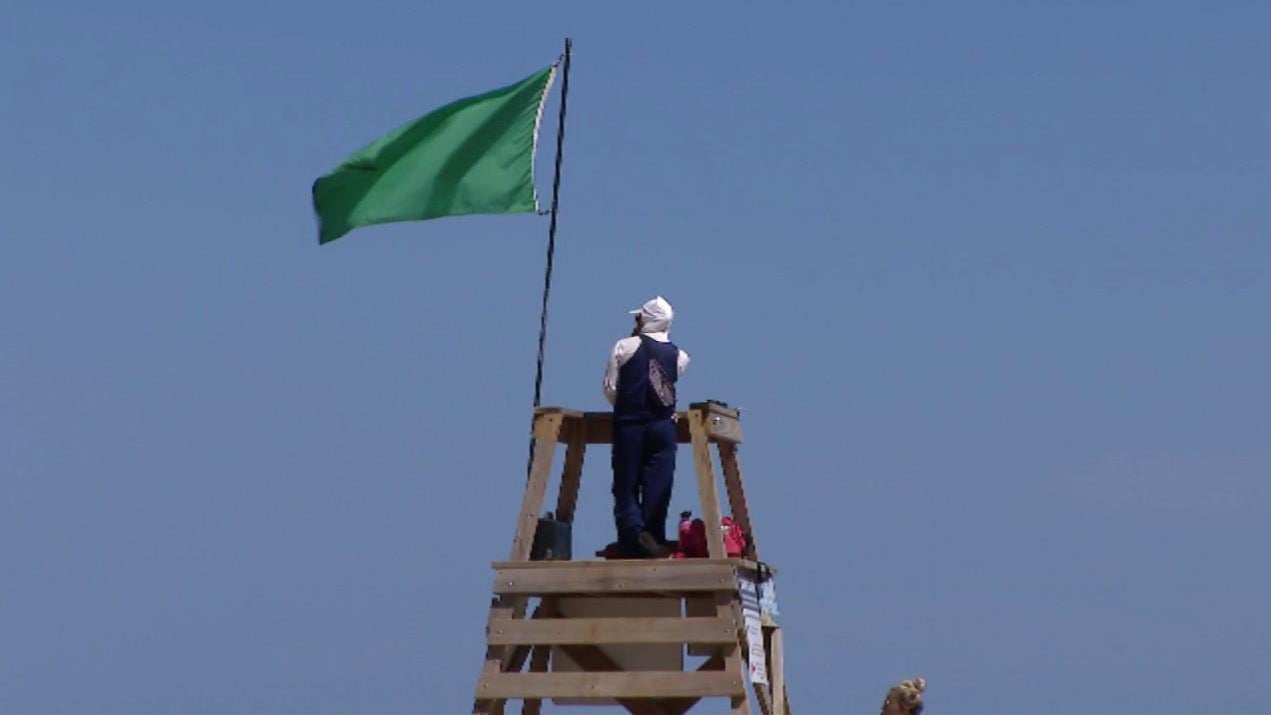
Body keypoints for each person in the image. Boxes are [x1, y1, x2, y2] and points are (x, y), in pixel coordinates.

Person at [602, 296, 690, 558]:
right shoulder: (680, 356)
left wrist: (628, 405)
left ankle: (634, 538)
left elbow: (611, 389)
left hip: (630, 424)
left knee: (626, 485)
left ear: (644, 319)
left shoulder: (624, 346)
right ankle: (654, 538)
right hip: (663, 426)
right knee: (658, 484)